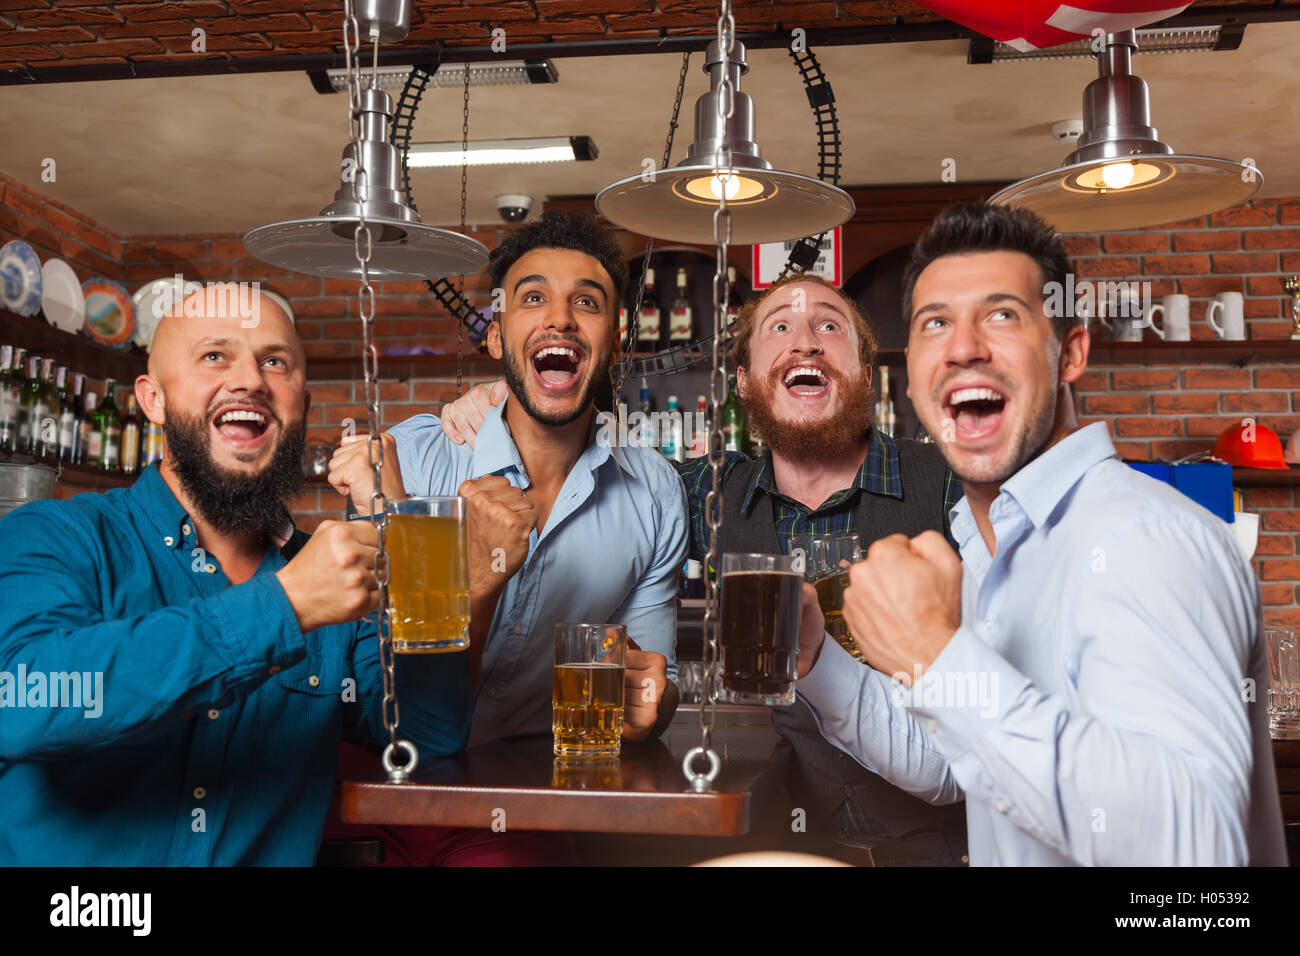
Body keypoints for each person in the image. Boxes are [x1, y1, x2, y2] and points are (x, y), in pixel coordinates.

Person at [796, 201, 1287, 865]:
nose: (965, 347)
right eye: (935, 323)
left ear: (1070, 354)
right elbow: (948, 765)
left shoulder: (1143, 539)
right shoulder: (978, 548)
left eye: (1002, 315)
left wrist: (933, 656)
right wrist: (814, 658)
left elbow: (1194, 850)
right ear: (910, 378)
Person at [438, 271, 968, 863]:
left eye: (828, 325)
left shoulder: (952, 485)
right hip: (791, 838)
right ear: (742, 381)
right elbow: (591, 474)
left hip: (948, 841)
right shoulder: (703, 495)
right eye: (781, 327)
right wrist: (504, 403)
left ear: (867, 375)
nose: (806, 343)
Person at [0, 287, 471, 866]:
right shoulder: (55, 535)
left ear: (301, 398)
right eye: (214, 356)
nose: (250, 379)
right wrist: (286, 607)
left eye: (275, 361)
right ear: (153, 399)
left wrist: (404, 526)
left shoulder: (338, 579)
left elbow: (428, 731)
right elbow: (21, 706)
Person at [329, 210, 686, 748]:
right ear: (495, 338)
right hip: (402, 789)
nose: (561, 320)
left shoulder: (655, 492)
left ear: (614, 343)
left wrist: (652, 706)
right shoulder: (411, 462)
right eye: (534, 298)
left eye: (586, 302)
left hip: (551, 795)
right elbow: (372, 683)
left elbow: (656, 684)